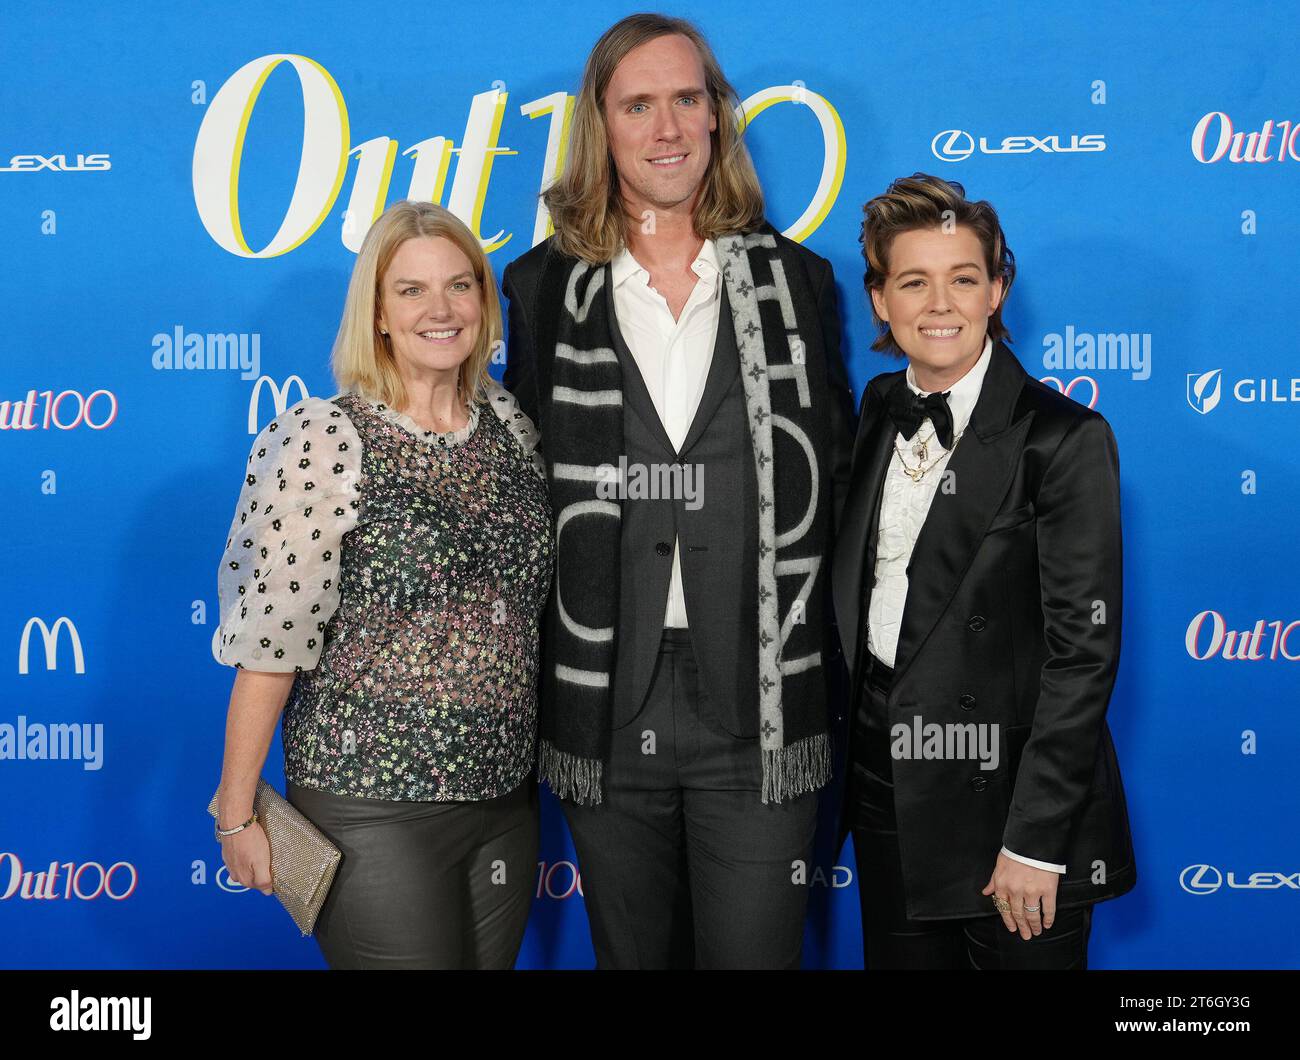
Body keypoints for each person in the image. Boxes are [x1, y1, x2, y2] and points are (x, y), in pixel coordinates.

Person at [502, 13, 854, 969]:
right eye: (638, 104)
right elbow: (516, 490)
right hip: (602, 705)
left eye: (688, 99)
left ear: (717, 116)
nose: (668, 128)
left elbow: (837, 473)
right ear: (600, 125)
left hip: (763, 701)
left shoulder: (798, 282)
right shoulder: (539, 287)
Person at [212, 200, 552, 969]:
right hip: (370, 804)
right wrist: (236, 810)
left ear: (484, 303)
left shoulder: (508, 423)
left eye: (460, 286)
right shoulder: (324, 438)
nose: (441, 308)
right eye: (411, 290)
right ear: (378, 314)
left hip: (504, 802)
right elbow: (273, 640)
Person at [832, 173, 1136, 970]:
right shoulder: (874, 409)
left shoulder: (1063, 439)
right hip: (885, 788)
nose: (940, 304)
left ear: (997, 290)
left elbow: (1082, 655)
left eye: (964, 279)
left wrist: (1036, 842)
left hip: (1007, 807)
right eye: (914, 282)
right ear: (879, 301)